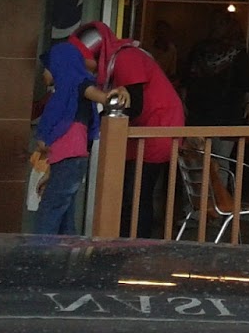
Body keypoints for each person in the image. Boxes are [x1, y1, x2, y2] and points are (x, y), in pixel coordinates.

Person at [74, 21, 185, 237]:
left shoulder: (126, 57)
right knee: (130, 196)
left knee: (137, 196)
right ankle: (127, 243)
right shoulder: (115, 60)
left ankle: (136, 246)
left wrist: (97, 121)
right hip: (141, 132)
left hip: (155, 130)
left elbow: (133, 105)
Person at [31, 34, 124, 236]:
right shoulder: (62, 95)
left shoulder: (78, 85)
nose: (44, 73)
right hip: (64, 161)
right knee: (63, 213)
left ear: (60, 65)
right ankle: (67, 251)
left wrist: (114, 95)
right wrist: (50, 173)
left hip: (70, 161)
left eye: (47, 68)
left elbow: (100, 96)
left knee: (50, 211)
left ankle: (39, 251)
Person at [183, 14, 249, 132]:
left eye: (221, 23)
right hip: (199, 109)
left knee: (221, 143)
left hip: (227, 112)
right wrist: (182, 102)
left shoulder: (238, 53)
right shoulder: (199, 49)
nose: (216, 27)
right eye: (214, 23)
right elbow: (187, 79)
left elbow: (244, 82)